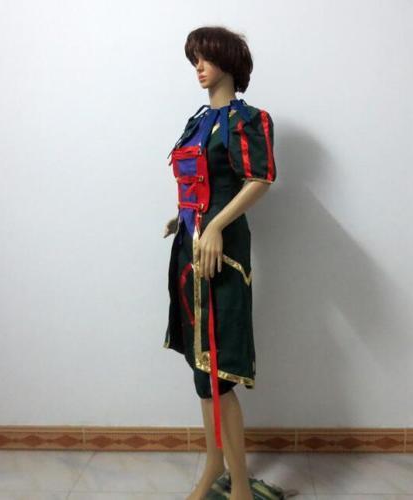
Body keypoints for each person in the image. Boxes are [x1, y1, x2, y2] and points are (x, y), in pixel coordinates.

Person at [163, 25, 277, 500]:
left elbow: (259, 179)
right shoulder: (197, 121)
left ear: (228, 62)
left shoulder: (249, 119)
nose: (199, 67)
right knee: (200, 369)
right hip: (188, 254)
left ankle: (241, 488)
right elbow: (198, 184)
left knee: (219, 371)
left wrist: (215, 226)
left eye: (206, 58)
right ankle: (214, 466)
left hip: (221, 256)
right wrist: (184, 218)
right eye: (195, 59)